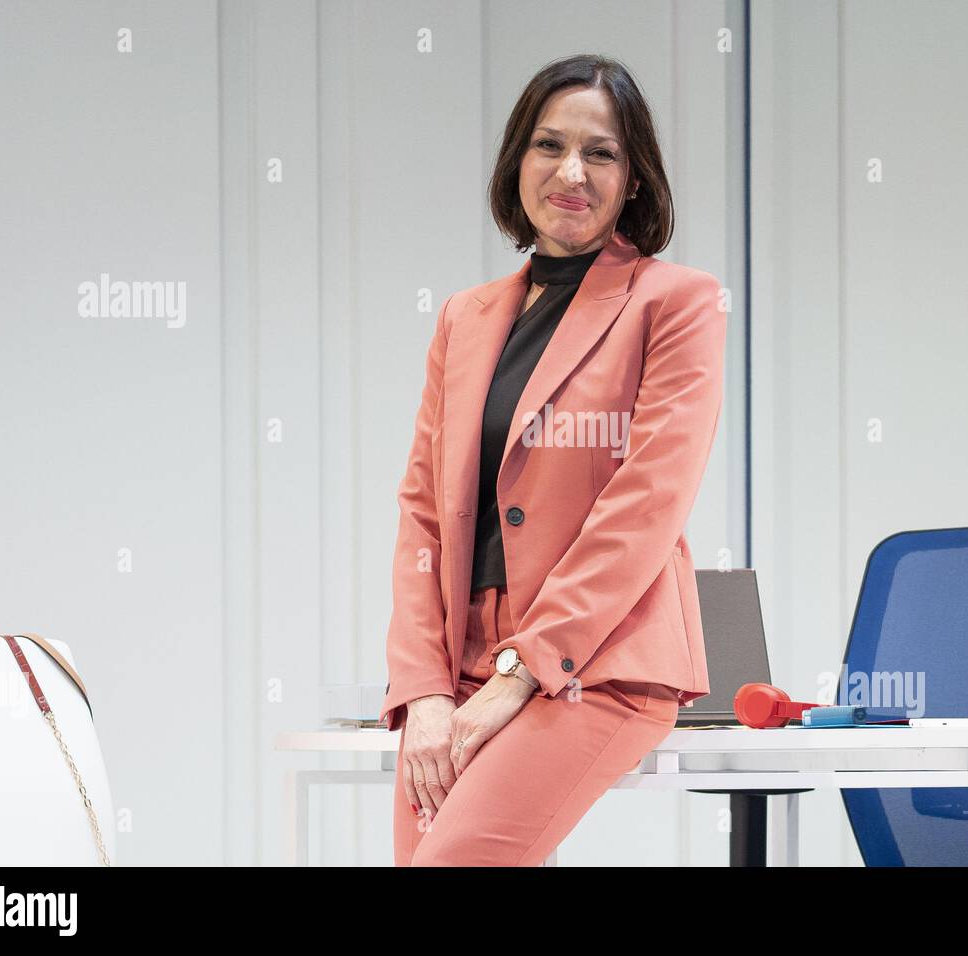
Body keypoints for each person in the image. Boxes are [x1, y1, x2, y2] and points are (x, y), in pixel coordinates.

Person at [381, 53, 726, 866]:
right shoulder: (467, 318)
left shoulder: (674, 303)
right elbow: (424, 512)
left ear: (634, 179)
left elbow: (646, 503)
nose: (571, 172)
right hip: (459, 666)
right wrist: (424, 691)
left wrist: (522, 671)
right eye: (548, 146)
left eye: (601, 153)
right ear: (518, 163)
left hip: (596, 662)